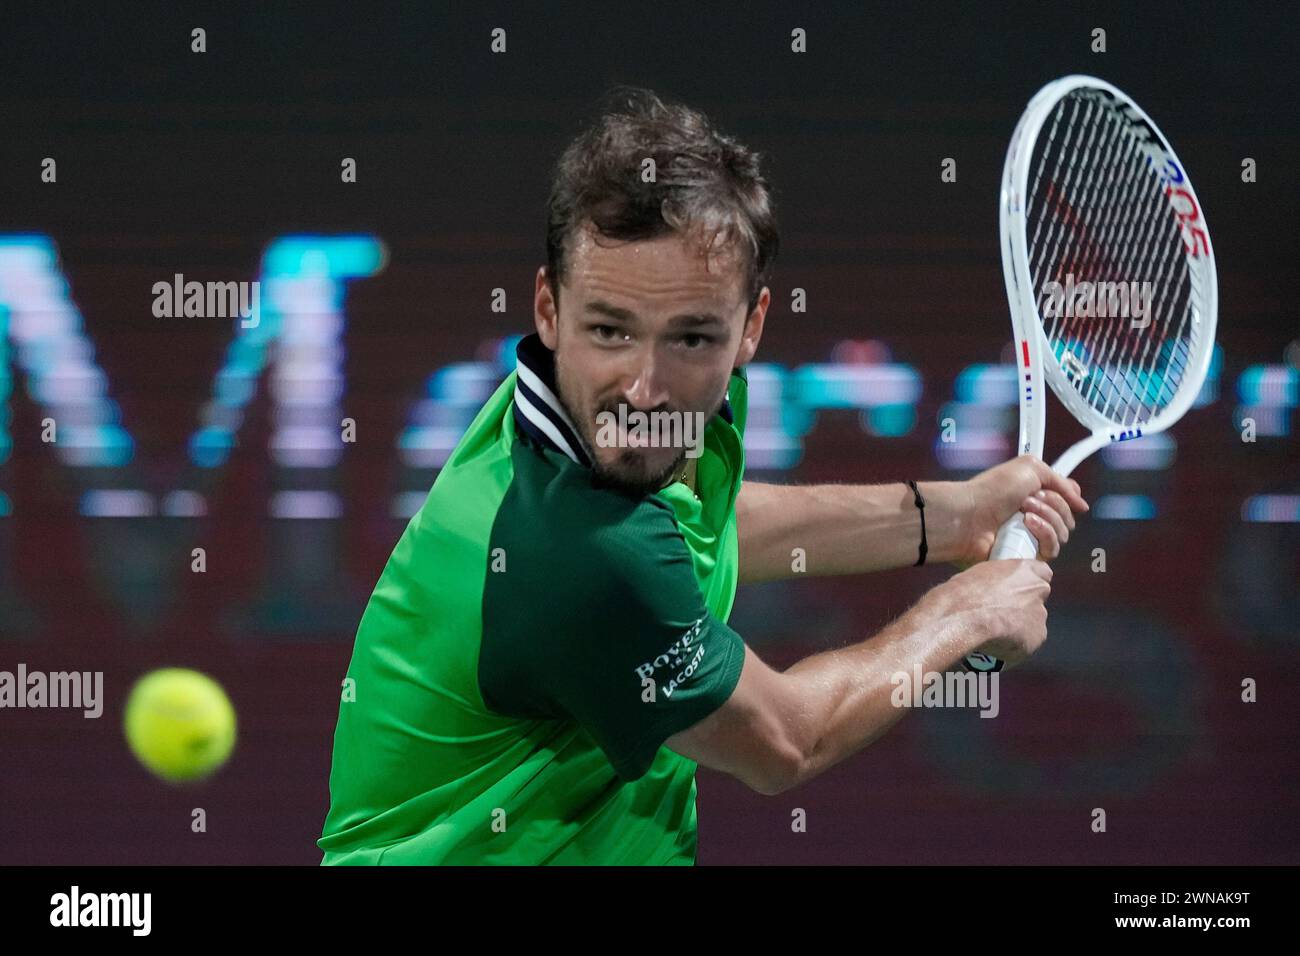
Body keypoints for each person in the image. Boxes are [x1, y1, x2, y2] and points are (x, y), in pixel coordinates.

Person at [318, 86, 1088, 865]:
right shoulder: (581, 557)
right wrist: (964, 619)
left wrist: (947, 517)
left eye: (690, 338)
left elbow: (699, 528)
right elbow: (789, 741)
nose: (645, 387)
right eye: (610, 329)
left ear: (751, 325)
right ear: (548, 310)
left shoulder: (567, 413)